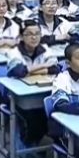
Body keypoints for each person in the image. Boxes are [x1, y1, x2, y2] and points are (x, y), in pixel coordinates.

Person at [7, 19, 62, 147]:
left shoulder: (45, 49)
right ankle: (28, 142)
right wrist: (43, 66)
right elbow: (18, 71)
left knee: (48, 115)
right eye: (29, 34)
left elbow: (56, 68)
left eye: (37, 34)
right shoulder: (14, 52)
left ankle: (38, 140)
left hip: (41, 90)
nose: (34, 37)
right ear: (21, 37)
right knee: (31, 117)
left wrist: (30, 70)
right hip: (16, 95)